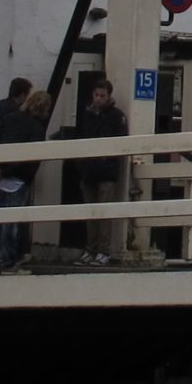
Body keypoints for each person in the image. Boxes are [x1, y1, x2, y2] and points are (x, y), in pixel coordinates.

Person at [0, 89, 48, 267]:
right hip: (18, 177)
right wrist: (8, 171)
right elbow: (29, 157)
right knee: (12, 221)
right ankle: (9, 257)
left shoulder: (9, 118)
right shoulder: (37, 128)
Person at [72, 80, 129, 264]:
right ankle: (91, 248)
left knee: (103, 213)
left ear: (109, 96)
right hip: (88, 170)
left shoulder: (116, 116)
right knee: (91, 213)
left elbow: (121, 142)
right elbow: (79, 138)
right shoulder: (86, 115)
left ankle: (103, 250)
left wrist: (108, 162)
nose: (98, 99)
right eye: (96, 95)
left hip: (106, 171)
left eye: (102, 95)